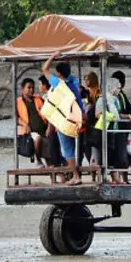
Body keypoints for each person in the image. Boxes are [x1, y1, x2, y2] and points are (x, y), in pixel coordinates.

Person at [42, 54, 84, 185]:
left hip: (65, 122)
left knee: (67, 150)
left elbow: (44, 68)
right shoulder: (74, 85)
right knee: (71, 148)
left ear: (59, 74)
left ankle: (75, 176)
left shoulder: (58, 84)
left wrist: (53, 56)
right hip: (76, 120)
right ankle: (74, 174)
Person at [15, 78, 45, 165]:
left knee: (50, 157)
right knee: (37, 138)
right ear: (23, 88)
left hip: (44, 130)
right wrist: (25, 124)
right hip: (29, 132)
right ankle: (38, 160)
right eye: (29, 87)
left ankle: (58, 176)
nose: (31, 90)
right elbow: (16, 118)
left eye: (33, 87)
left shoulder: (38, 99)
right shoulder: (18, 102)